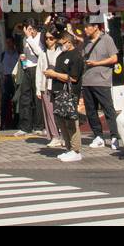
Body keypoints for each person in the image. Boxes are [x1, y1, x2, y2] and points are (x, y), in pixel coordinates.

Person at [44, 26, 85, 163]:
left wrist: (54, 74)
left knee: (71, 121)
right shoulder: (61, 55)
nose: (61, 46)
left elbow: (73, 77)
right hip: (58, 91)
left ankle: (76, 149)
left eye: (62, 43)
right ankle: (68, 148)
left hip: (70, 92)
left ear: (68, 41)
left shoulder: (76, 55)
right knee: (61, 120)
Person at [81, 16, 120, 150]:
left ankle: (115, 136)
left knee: (108, 109)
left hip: (102, 80)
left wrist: (97, 63)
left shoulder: (107, 39)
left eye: (87, 26)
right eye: (84, 27)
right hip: (86, 80)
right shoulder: (85, 41)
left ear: (96, 26)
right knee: (91, 111)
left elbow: (114, 58)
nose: (85, 29)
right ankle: (98, 136)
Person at [15, 19, 43, 135]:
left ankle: (39, 126)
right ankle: (25, 126)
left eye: (31, 29)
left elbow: (39, 53)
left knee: (38, 98)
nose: (29, 31)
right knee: (25, 97)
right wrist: (24, 61)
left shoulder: (41, 37)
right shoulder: (24, 39)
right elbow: (25, 54)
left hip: (38, 68)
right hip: (28, 69)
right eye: (27, 29)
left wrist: (30, 39)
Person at [0, 33, 20, 133]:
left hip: (15, 78)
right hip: (6, 79)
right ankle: (3, 123)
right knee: (4, 102)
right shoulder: (3, 54)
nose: (8, 44)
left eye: (10, 42)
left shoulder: (18, 54)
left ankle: (16, 122)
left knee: (16, 101)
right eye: (7, 43)